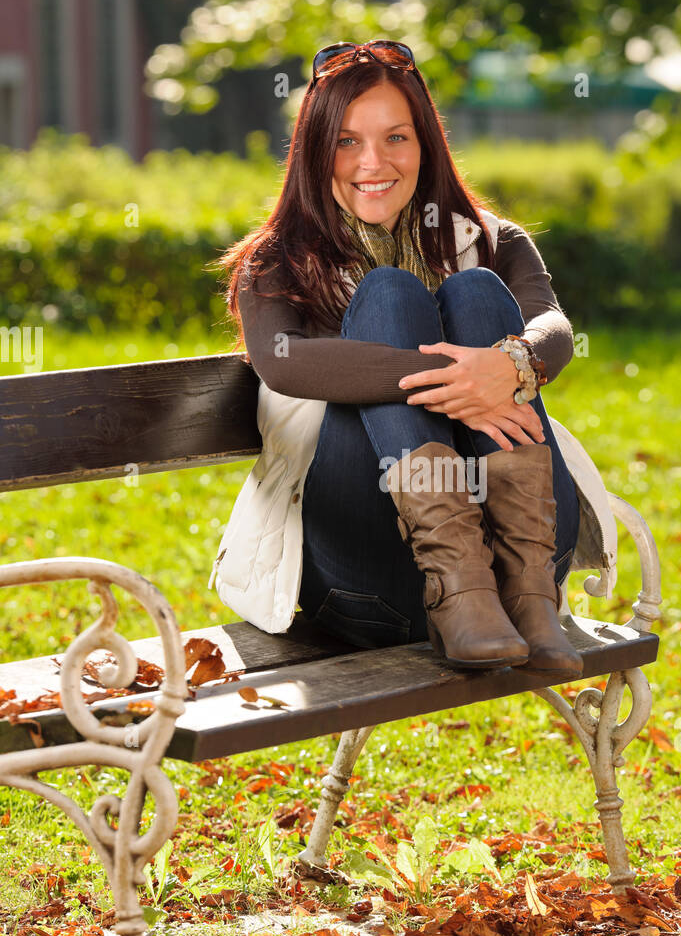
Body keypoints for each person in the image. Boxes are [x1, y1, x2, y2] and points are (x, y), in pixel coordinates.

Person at [218, 40, 581, 674]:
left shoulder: (490, 242)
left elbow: (554, 328)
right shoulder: (276, 262)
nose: (373, 162)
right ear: (314, 150)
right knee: (390, 295)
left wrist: (515, 363)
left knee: (473, 291)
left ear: (426, 145)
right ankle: (457, 585)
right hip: (367, 576)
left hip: (526, 580)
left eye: (397, 138)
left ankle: (528, 594)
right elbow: (282, 363)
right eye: (347, 142)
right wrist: (469, 375)